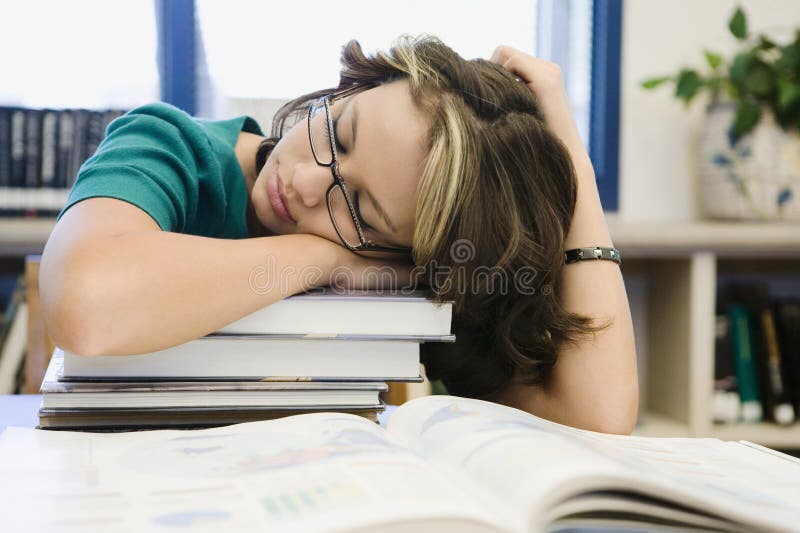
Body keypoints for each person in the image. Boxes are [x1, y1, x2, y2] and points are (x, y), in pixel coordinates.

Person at [39, 35, 638, 434]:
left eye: (361, 209)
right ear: (354, 86)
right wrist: (321, 258)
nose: (303, 181)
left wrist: (574, 163)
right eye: (340, 133)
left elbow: (596, 419)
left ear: (408, 253)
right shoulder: (172, 147)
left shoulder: (401, 264)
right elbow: (86, 306)